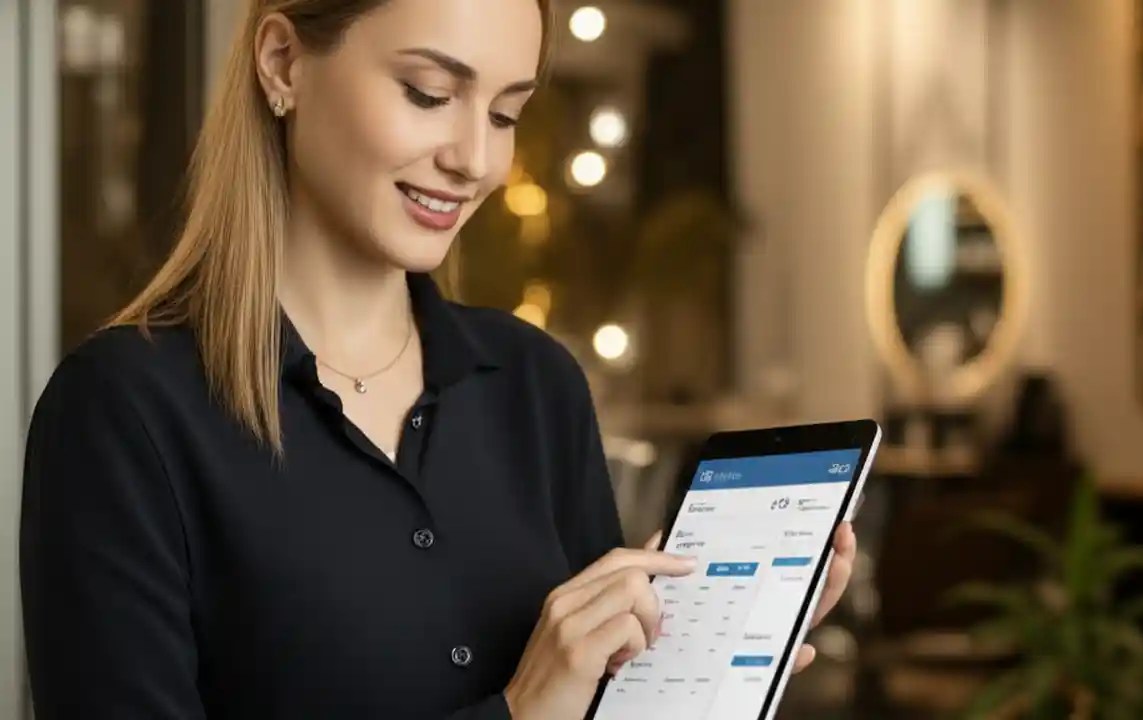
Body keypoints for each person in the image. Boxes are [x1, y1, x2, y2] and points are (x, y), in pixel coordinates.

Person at [19, 1, 857, 718]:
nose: (477, 161)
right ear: (283, 64)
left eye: (504, 113)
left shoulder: (536, 386)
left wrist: (704, 658)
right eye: (429, 94)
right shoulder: (122, 412)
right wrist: (519, 710)